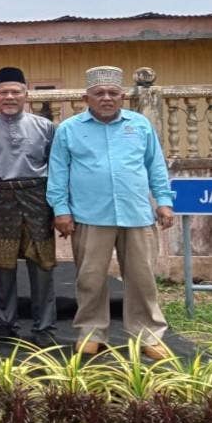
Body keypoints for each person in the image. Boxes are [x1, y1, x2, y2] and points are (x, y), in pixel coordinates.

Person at [46, 66, 174, 360]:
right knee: (90, 279)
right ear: (85, 97)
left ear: (123, 96)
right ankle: (92, 332)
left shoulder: (140, 125)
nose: (106, 98)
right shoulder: (69, 129)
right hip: (89, 216)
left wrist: (163, 201)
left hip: (137, 215)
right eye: (99, 93)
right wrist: (61, 210)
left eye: (112, 93)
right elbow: (58, 173)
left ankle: (148, 335)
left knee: (142, 279)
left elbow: (155, 166)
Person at [0, 67, 58, 344]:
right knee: (1, 266)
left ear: (26, 94)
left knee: (42, 266)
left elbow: (57, 170)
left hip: (37, 198)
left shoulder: (45, 127)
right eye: (4, 92)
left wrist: (57, 209)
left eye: (15, 92)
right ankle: (4, 324)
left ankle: (44, 327)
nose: (10, 97)